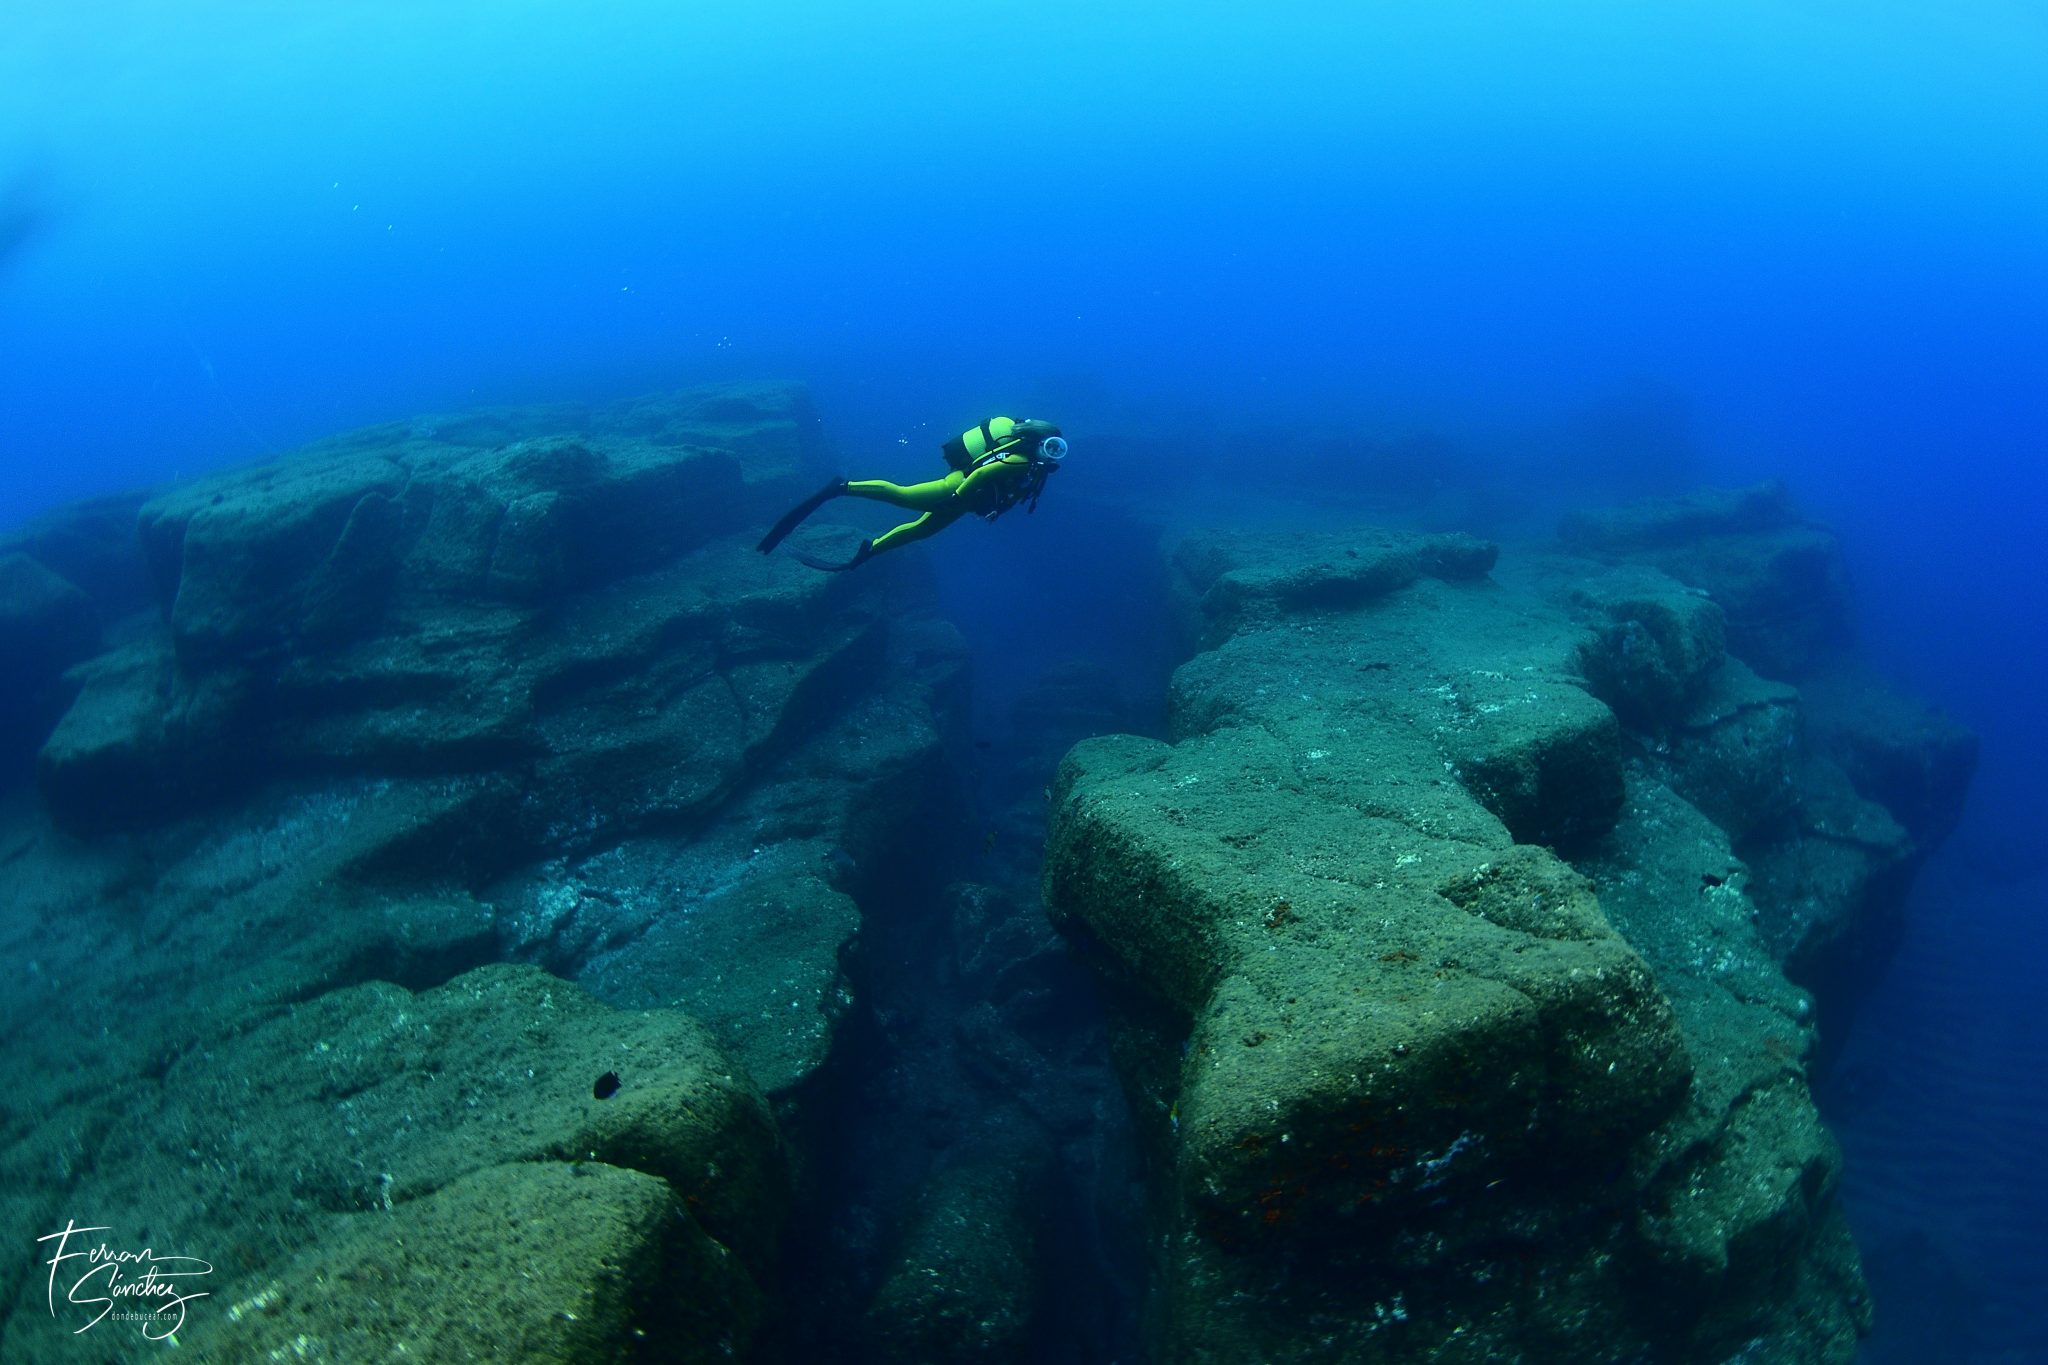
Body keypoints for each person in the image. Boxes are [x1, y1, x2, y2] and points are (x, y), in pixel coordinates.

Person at [757, 416, 1067, 571]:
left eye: (1058, 449)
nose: (1053, 453)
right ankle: (840, 488)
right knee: (903, 497)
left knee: (922, 531)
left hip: (965, 498)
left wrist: (990, 507)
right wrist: (957, 497)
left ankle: (870, 550)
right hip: (957, 489)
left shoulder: (1033, 467)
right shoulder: (1022, 459)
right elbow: (985, 472)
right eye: (1051, 446)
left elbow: (1008, 492)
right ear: (1038, 440)